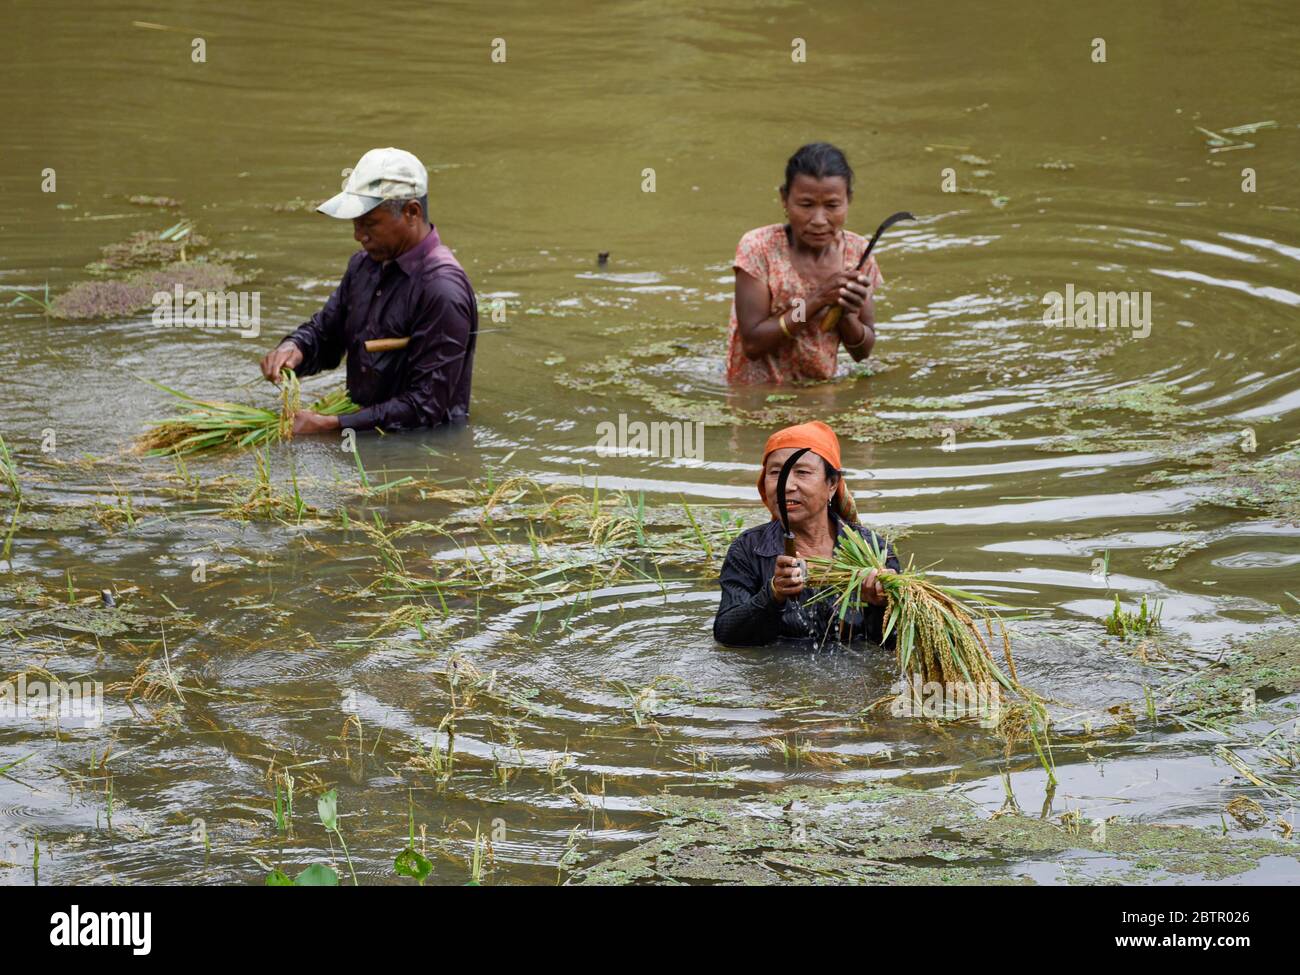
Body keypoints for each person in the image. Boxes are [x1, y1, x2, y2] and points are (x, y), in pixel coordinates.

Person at [259, 147, 478, 434]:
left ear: (412, 212)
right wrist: (295, 349)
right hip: (361, 428)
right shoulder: (364, 266)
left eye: (370, 223)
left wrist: (332, 426)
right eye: (355, 222)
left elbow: (426, 406)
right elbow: (326, 334)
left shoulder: (441, 290)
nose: (358, 235)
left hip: (419, 450)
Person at [714, 420, 900, 647]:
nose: (786, 485)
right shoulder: (748, 550)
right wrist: (773, 594)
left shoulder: (874, 551)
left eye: (802, 472)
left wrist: (879, 605)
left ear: (832, 484)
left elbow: (895, 644)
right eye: (775, 473)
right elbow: (727, 635)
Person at [727, 142, 883, 385]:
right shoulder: (759, 248)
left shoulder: (858, 253)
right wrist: (817, 300)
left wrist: (846, 315)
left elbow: (863, 352)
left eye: (832, 205)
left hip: (821, 391)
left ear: (848, 201)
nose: (819, 220)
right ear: (784, 199)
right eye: (806, 205)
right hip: (758, 394)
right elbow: (753, 343)